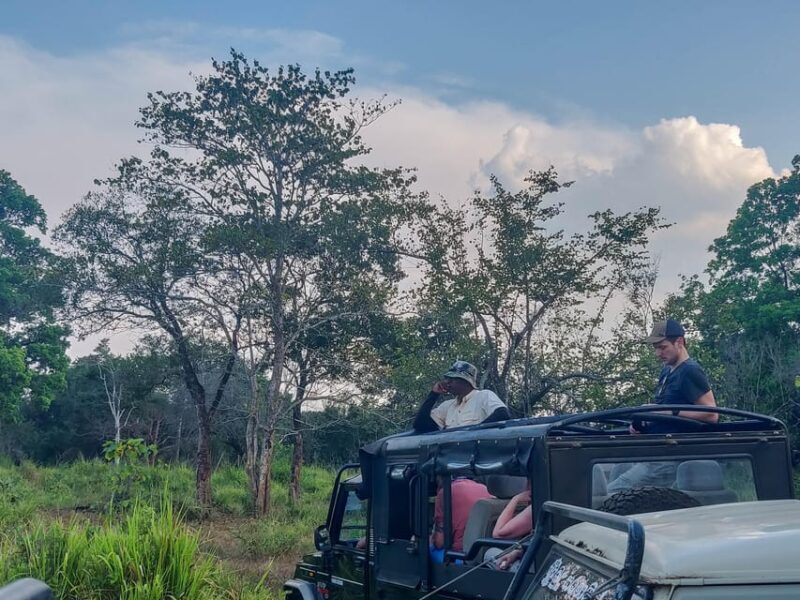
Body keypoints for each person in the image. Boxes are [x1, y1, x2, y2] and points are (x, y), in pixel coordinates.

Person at [608, 318, 718, 492]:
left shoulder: (690, 370)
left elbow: (711, 414)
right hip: (653, 447)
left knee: (613, 491)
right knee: (612, 472)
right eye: (655, 348)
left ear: (679, 342)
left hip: (670, 455)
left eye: (663, 347)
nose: (658, 353)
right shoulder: (667, 371)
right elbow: (665, 409)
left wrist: (667, 412)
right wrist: (645, 421)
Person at [413, 361, 510, 432]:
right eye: (447, 379)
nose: (447, 383)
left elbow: (502, 414)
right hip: (450, 456)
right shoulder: (448, 406)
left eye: (452, 380)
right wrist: (433, 394)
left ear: (465, 381)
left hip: (476, 456)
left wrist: (473, 433)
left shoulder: (484, 396)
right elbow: (420, 425)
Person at [430, 477, 493, 561]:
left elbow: (439, 542)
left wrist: (429, 538)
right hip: (485, 552)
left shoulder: (444, 493)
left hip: (461, 556)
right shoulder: (484, 488)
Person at [484, 487, 533, 571]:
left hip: (530, 569)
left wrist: (515, 499)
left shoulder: (534, 509)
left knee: (489, 553)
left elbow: (498, 534)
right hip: (536, 560)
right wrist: (516, 553)